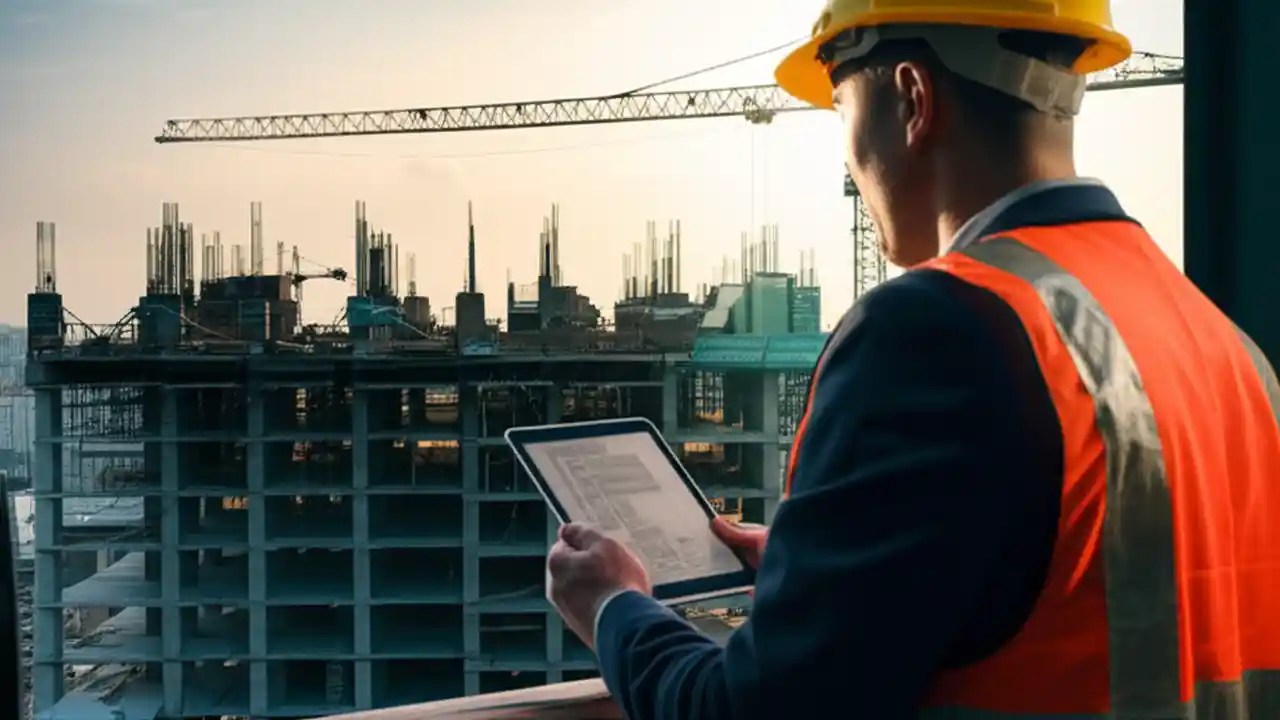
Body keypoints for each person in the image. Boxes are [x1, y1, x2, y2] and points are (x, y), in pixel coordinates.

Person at [545, 1, 1280, 717]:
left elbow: (752, 708)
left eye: (841, 108)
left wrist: (616, 607)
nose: (846, 154)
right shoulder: (1219, 342)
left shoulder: (935, 330)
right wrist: (836, 570)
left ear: (911, 98)